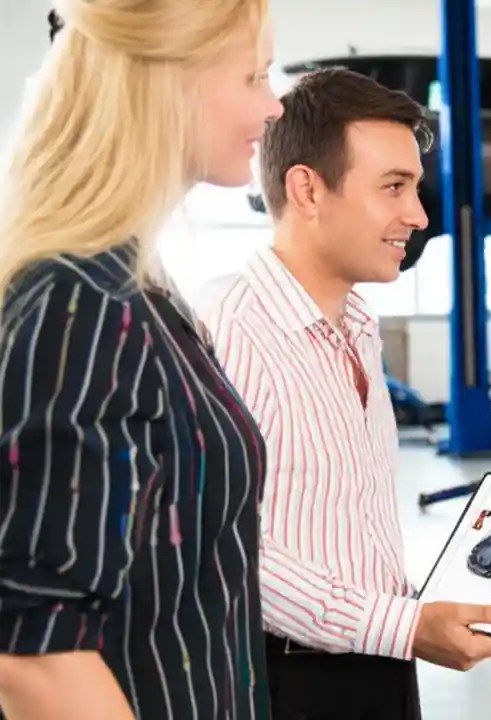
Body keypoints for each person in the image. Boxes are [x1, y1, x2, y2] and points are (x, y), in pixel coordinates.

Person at [196, 68, 491, 720]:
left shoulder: (358, 324)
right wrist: (400, 626)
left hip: (376, 665)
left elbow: (344, 521)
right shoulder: (233, 328)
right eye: (393, 187)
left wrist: (413, 617)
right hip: (283, 682)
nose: (418, 216)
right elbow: (223, 546)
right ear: (307, 190)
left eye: (416, 188)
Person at [0, 2, 282, 719]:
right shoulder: (82, 303)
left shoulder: (141, 291)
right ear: (168, 84)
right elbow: (36, 660)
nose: (274, 104)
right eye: (253, 76)